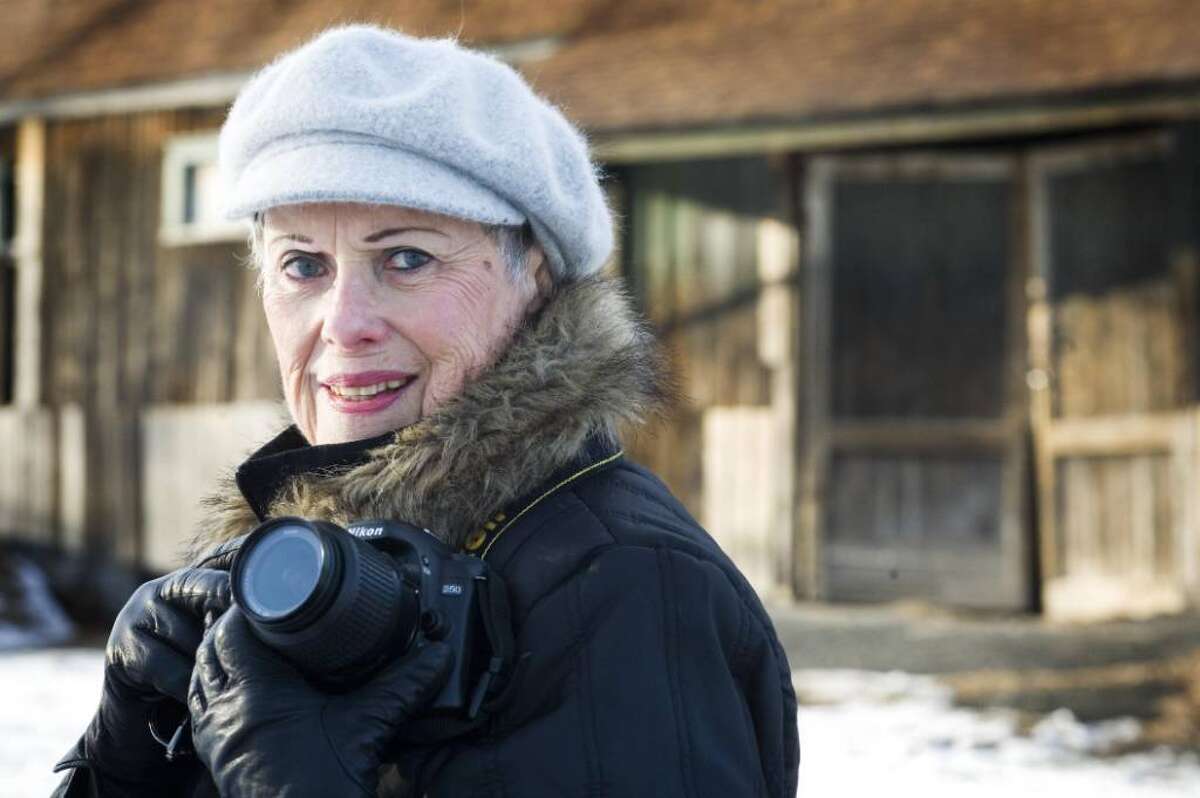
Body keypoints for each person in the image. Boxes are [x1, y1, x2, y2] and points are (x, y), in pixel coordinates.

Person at [53, 25, 799, 797]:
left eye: (406, 259)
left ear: (535, 276)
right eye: (303, 265)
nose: (344, 323)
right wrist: (123, 760)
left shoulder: (621, 583)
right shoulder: (288, 564)